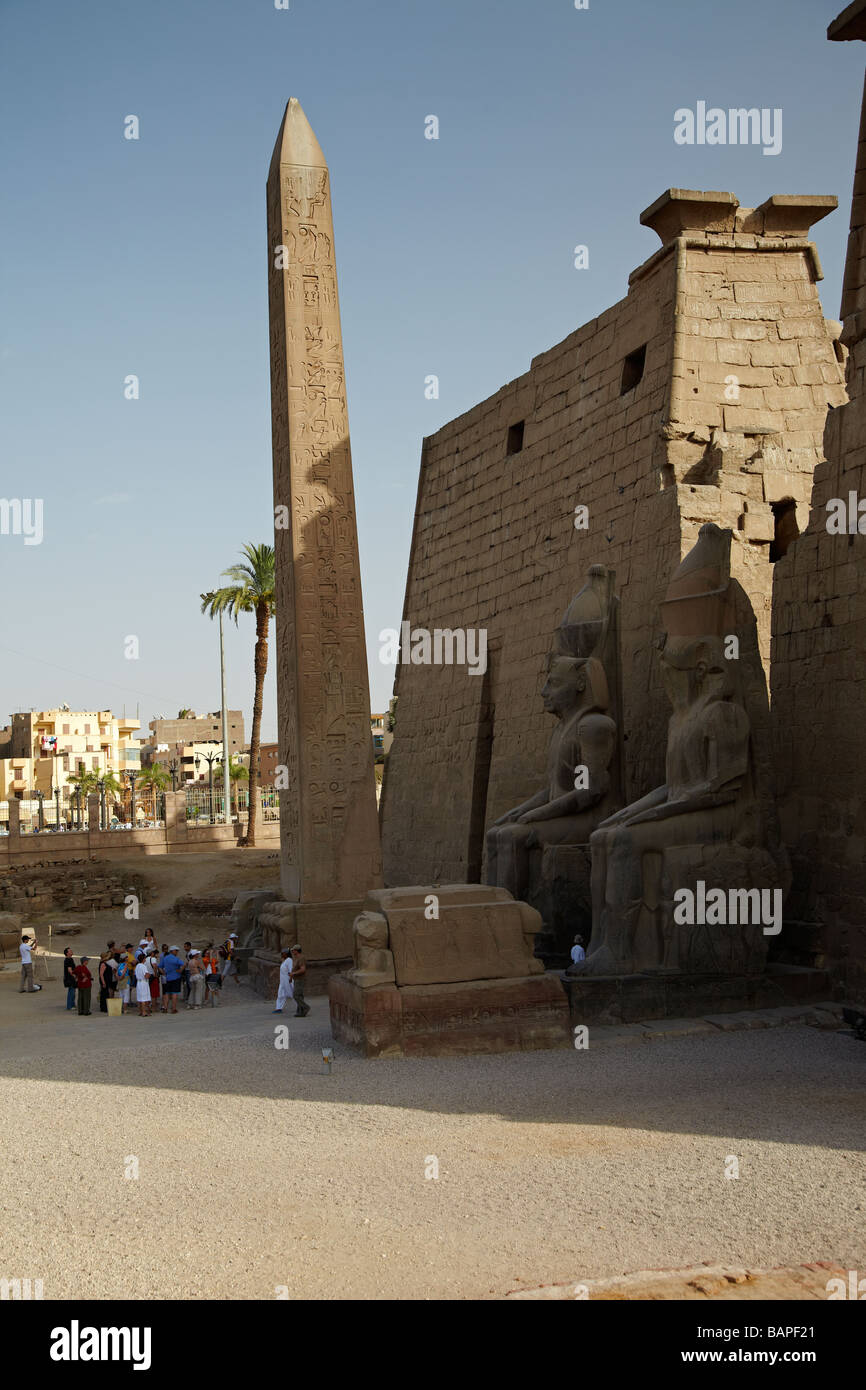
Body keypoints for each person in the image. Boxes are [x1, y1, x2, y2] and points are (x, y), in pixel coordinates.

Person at [160, 945, 183, 1015]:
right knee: (174, 993)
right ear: (172, 951)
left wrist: (163, 973)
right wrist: (181, 970)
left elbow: (160, 966)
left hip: (168, 977)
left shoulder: (165, 958)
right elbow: (183, 964)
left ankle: (165, 1008)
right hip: (176, 977)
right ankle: (173, 1009)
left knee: (167, 993)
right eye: (176, 950)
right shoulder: (176, 959)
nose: (177, 952)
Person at [272, 948, 294, 1014]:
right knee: (280, 994)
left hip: (288, 980)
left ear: (286, 954)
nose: (281, 954)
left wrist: (290, 978)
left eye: (282, 953)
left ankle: (301, 1006)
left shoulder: (289, 960)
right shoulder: (284, 961)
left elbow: (291, 970)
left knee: (293, 994)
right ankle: (279, 1008)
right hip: (282, 981)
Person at [290, 946, 309, 1017]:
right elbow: (294, 968)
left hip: (300, 979)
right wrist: (291, 977)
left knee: (296, 995)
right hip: (296, 979)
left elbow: (303, 969)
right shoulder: (295, 958)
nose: (292, 952)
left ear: (297, 951)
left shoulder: (301, 958)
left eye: (293, 950)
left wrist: (293, 974)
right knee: (300, 995)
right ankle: (300, 1011)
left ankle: (305, 1007)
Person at [134, 953, 151, 1017]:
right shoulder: (143, 966)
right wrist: (149, 975)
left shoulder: (137, 966)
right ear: (143, 959)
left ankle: (141, 1011)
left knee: (140, 998)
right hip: (144, 982)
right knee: (144, 998)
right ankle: (144, 1012)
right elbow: (146, 975)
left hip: (139, 982)